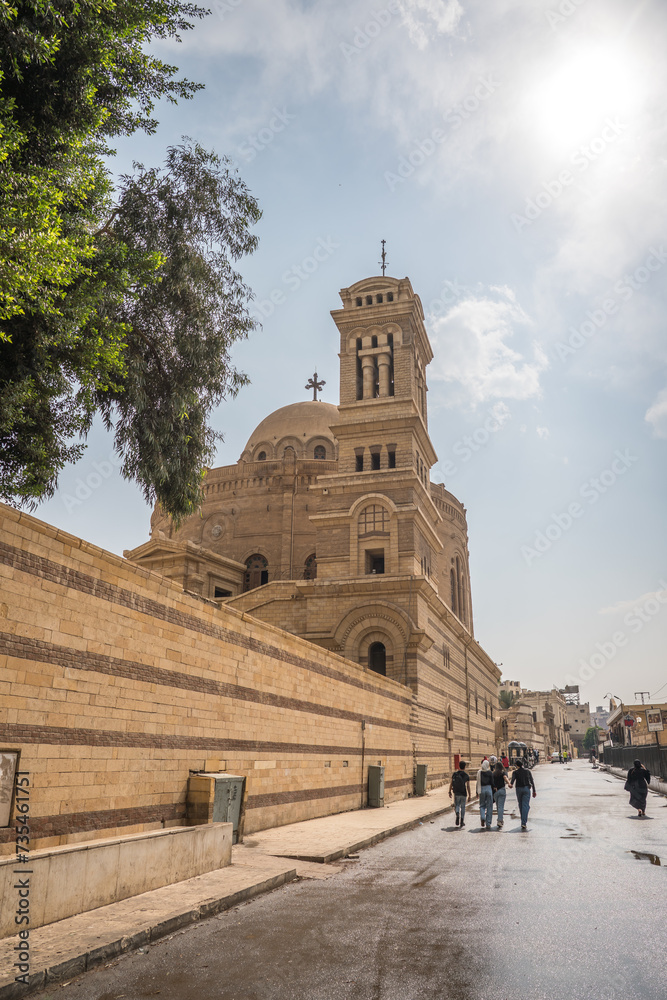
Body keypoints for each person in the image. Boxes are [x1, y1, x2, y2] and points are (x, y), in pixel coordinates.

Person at [510, 758, 536, 830]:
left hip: (518, 789)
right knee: (525, 805)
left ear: (516, 765)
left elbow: (512, 781)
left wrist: (510, 784)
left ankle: (523, 820)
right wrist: (534, 791)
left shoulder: (515, 772)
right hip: (526, 789)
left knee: (520, 805)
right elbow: (532, 781)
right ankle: (523, 822)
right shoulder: (527, 771)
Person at [448, 760, 471, 827]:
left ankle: (457, 813)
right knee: (463, 807)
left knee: (457, 805)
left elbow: (451, 783)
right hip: (463, 793)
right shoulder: (466, 775)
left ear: (459, 766)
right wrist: (469, 795)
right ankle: (462, 821)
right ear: (465, 767)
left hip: (456, 792)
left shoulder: (455, 774)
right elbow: (468, 786)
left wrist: (449, 791)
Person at [476, 759, 494, 828]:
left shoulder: (479, 772)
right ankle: (488, 823)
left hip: (481, 789)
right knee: (489, 806)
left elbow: (477, 783)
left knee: (482, 805)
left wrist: (477, 792)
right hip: (489, 789)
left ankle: (483, 817)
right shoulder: (490, 773)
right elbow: (492, 782)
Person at [492, 761, 510, 828]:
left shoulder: (493, 774)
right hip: (502, 790)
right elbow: (505, 777)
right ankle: (500, 820)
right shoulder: (503, 772)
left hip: (496, 792)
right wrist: (509, 783)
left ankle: (500, 819)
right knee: (501, 806)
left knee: (498, 806)